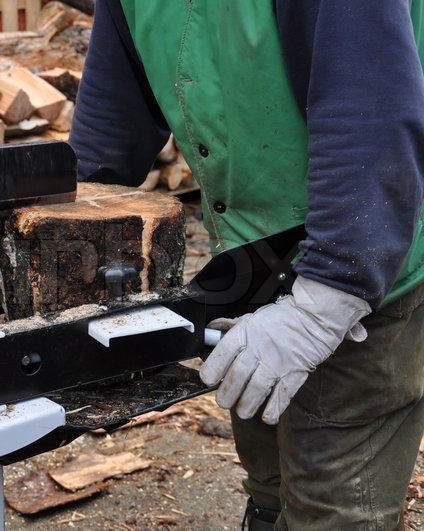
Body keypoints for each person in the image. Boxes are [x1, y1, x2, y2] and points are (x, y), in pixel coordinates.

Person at [69, 1, 424, 529]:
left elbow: (368, 108)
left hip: (367, 253)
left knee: (336, 504)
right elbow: (109, 125)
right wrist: (58, 230)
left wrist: (329, 294)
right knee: (267, 463)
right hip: (251, 256)